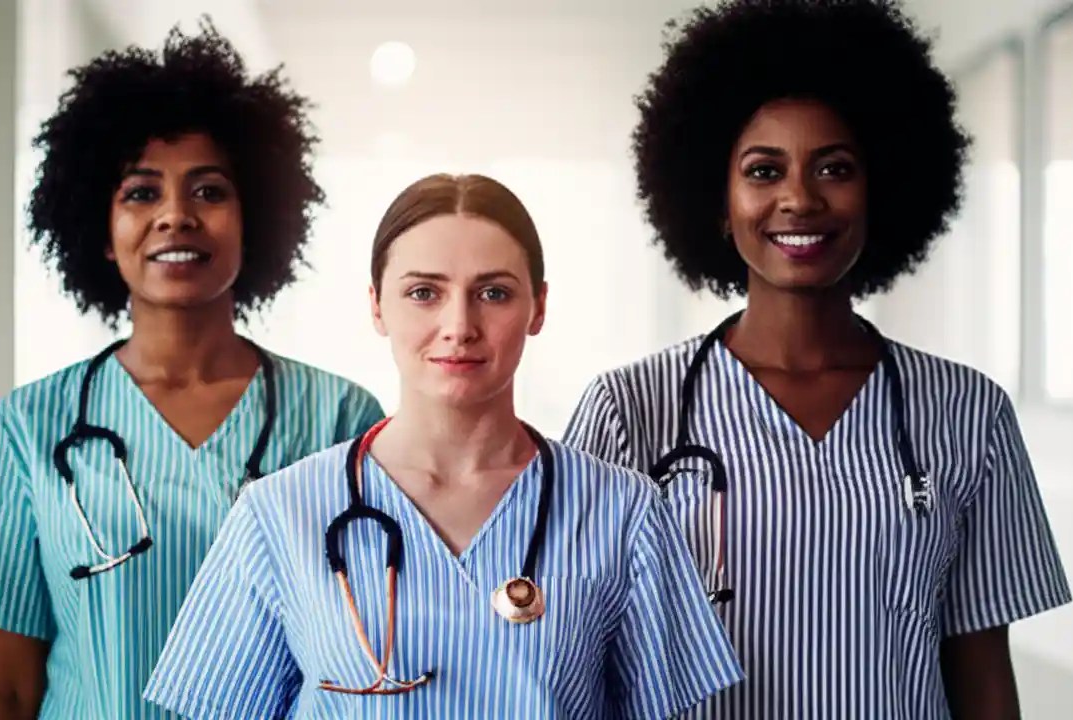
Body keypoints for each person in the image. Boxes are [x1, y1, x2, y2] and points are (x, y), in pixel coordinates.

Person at [561, 1, 1072, 717]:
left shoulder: (968, 413)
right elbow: (574, 658)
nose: (799, 199)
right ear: (717, 200)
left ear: (881, 191)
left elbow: (982, 673)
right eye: (764, 171)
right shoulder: (631, 412)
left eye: (834, 168)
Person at [142, 173, 743, 718]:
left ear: (539, 307)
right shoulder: (278, 513)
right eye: (424, 293)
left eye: (494, 293)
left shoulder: (622, 511)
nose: (459, 325)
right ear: (377, 305)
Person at [0, 20, 384, 719]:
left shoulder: (341, 419)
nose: (175, 216)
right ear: (98, 231)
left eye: (209, 191)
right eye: (141, 193)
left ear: (255, 218)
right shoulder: (30, 427)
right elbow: (7, 690)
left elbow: (373, 656)